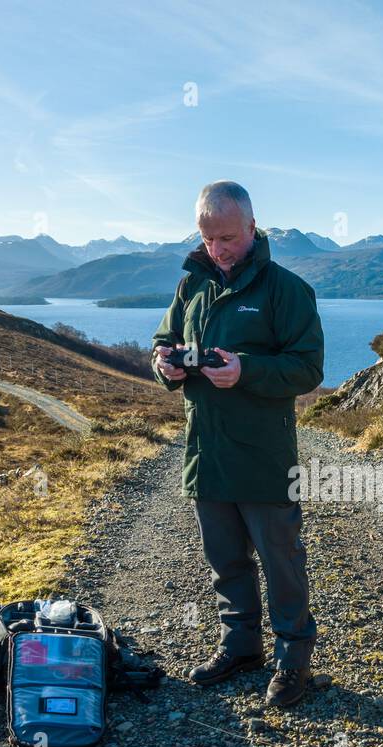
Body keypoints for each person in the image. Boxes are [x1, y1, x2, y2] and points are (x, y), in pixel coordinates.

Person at [151, 180, 324, 707]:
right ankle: (240, 646)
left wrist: (246, 370)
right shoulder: (192, 286)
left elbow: (307, 368)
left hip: (265, 456)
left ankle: (293, 659)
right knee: (224, 558)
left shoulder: (286, 289)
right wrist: (164, 367)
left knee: (281, 560)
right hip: (206, 451)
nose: (217, 249)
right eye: (208, 239)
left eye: (226, 237)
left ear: (252, 227)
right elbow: (163, 341)